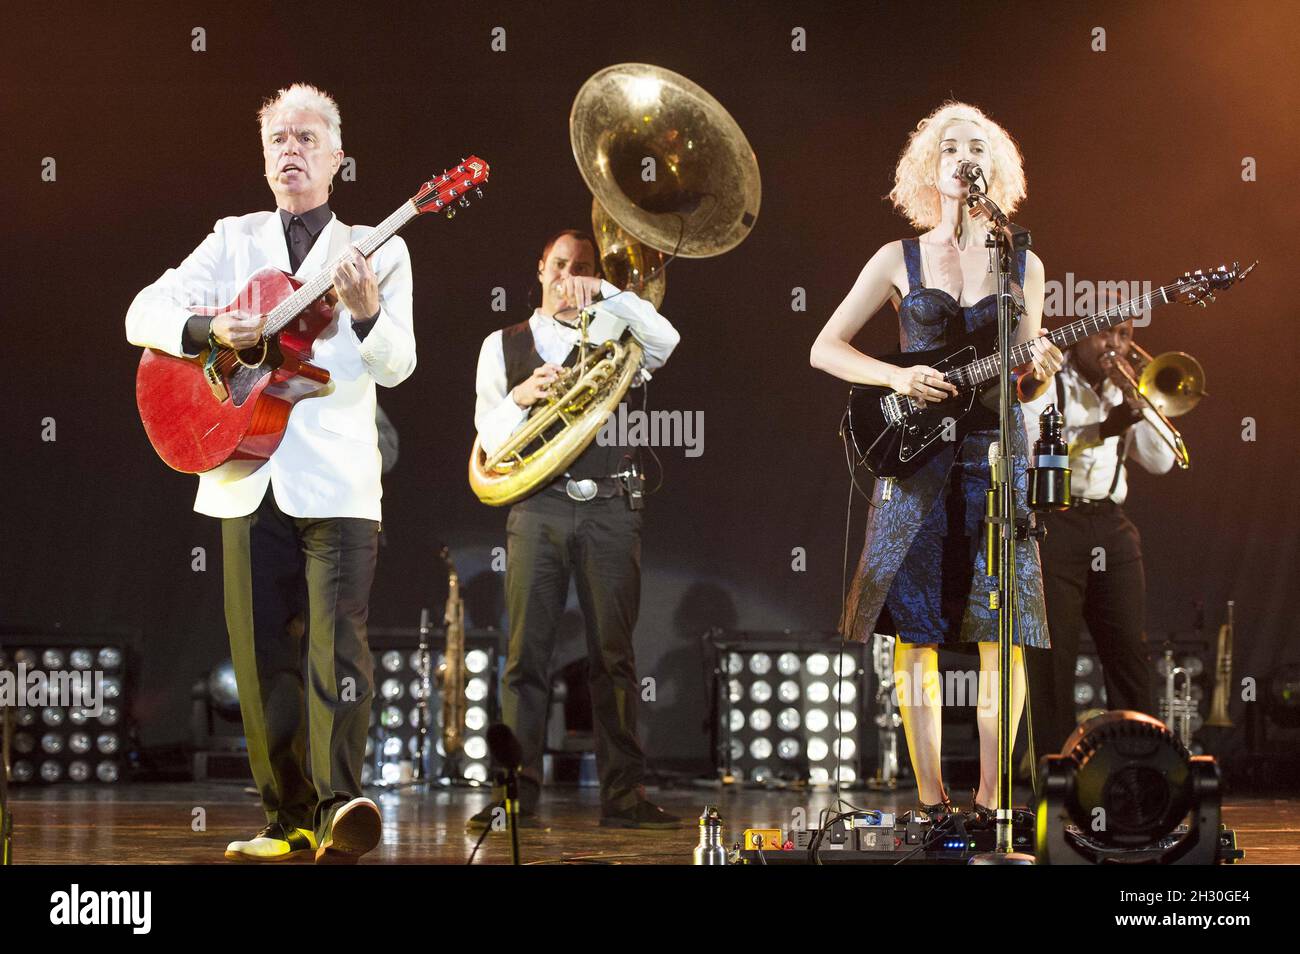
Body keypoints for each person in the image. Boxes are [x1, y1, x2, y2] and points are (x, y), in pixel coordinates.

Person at [126, 83, 416, 862]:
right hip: (242, 471)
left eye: (307, 137)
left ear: (338, 158)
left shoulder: (377, 248)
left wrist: (366, 312)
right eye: (278, 139)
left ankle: (340, 806)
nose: (291, 149)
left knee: (335, 645)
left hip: (339, 482)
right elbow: (140, 313)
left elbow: (399, 364)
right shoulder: (232, 239)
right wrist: (208, 327)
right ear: (264, 159)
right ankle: (286, 820)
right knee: (260, 659)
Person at [810, 102, 1063, 821]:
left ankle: (992, 803)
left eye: (977, 146)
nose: (964, 156)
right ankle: (930, 802)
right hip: (915, 457)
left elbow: (1025, 379)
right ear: (929, 166)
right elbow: (825, 347)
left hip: (995, 456)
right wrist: (895, 377)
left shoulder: (1023, 260)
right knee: (914, 629)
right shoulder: (898, 257)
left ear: (996, 168)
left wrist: (1041, 371)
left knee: (1002, 631)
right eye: (950, 146)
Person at [469, 229, 682, 830]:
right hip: (537, 506)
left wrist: (607, 293)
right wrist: (520, 397)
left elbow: (667, 340)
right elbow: (487, 436)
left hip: (611, 507)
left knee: (614, 657)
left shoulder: (618, 332)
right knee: (525, 657)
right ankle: (516, 796)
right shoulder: (501, 344)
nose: (569, 278)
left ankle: (624, 796)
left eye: (582, 268)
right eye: (560, 266)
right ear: (540, 269)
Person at [1023, 320, 1176, 755]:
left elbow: (1161, 461)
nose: (1116, 345)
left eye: (1125, 335)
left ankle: (1141, 764)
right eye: (1107, 332)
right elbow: (1034, 446)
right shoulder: (1050, 376)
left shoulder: (1125, 388)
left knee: (1129, 652)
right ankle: (1054, 771)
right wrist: (1103, 430)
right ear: (1083, 331)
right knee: (1053, 658)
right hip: (1056, 521)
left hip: (1110, 523)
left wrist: (1141, 403)